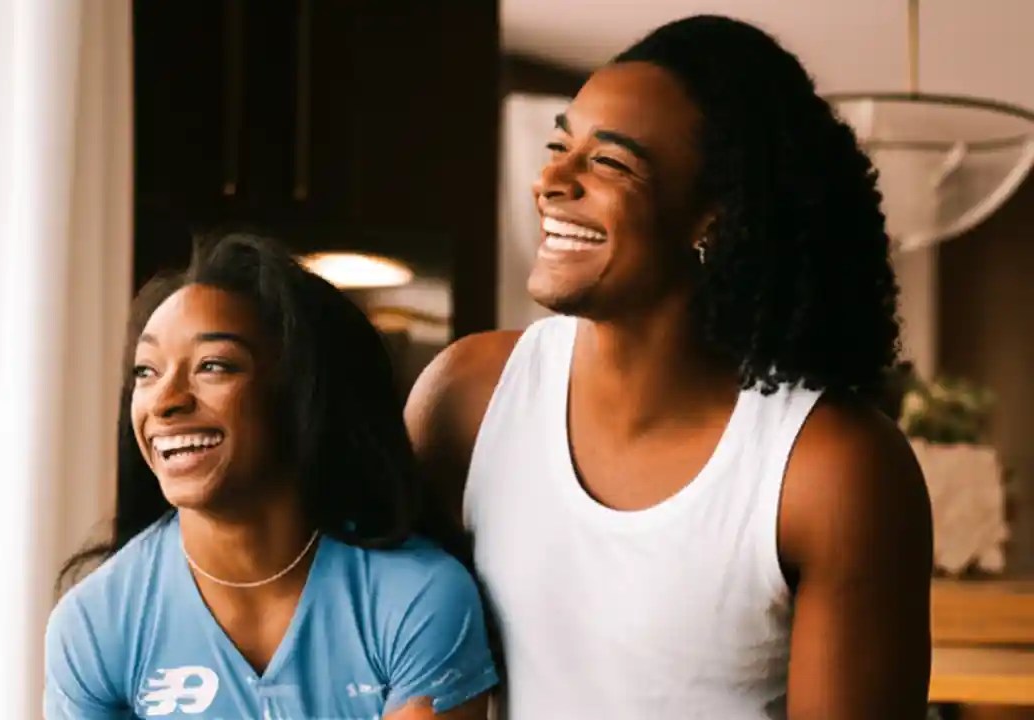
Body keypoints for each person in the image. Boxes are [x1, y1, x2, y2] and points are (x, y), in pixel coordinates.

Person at [406, 15, 932, 720]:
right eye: (560, 146)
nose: (551, 180)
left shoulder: (831, 468)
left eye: (610, 162)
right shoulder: (469, 396)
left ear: (714, 217)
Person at [47, 233, 497, 719]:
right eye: (146, 372)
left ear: (300, 396)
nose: (165, 400)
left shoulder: (417, 597)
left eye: (213, 366)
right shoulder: (96, 622)